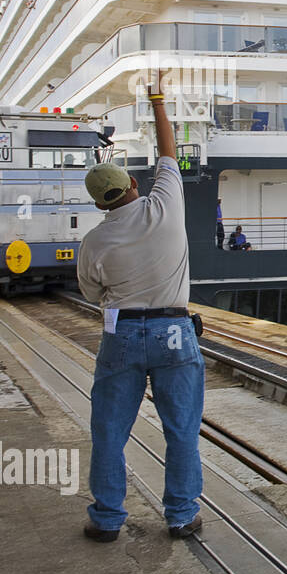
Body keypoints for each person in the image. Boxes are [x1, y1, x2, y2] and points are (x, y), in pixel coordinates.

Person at [76, 89, 204, 543]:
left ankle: (108, 520)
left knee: (110, 431)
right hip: (174, 330)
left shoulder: (94, 241)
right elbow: (167, 153)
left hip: (123, 332)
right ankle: (181, 518)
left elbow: (94, 293)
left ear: (99, 204)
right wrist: (157, 102)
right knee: (182, 430)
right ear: (133, 185)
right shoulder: (165, 206)